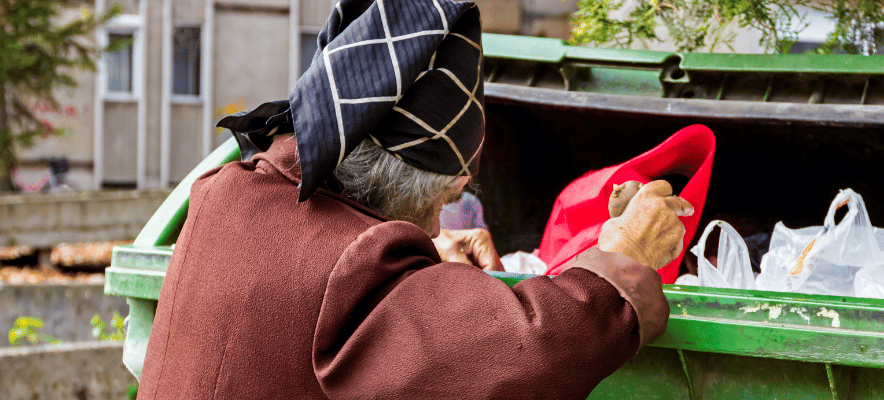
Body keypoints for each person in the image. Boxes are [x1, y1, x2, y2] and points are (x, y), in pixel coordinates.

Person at [134, 0, 693, 398]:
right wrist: (623, 256)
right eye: (447, 197)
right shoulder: (355, 272)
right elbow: (528, 355)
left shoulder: (225, 192)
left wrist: (415, 264)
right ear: (406, 186)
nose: (440, 220)